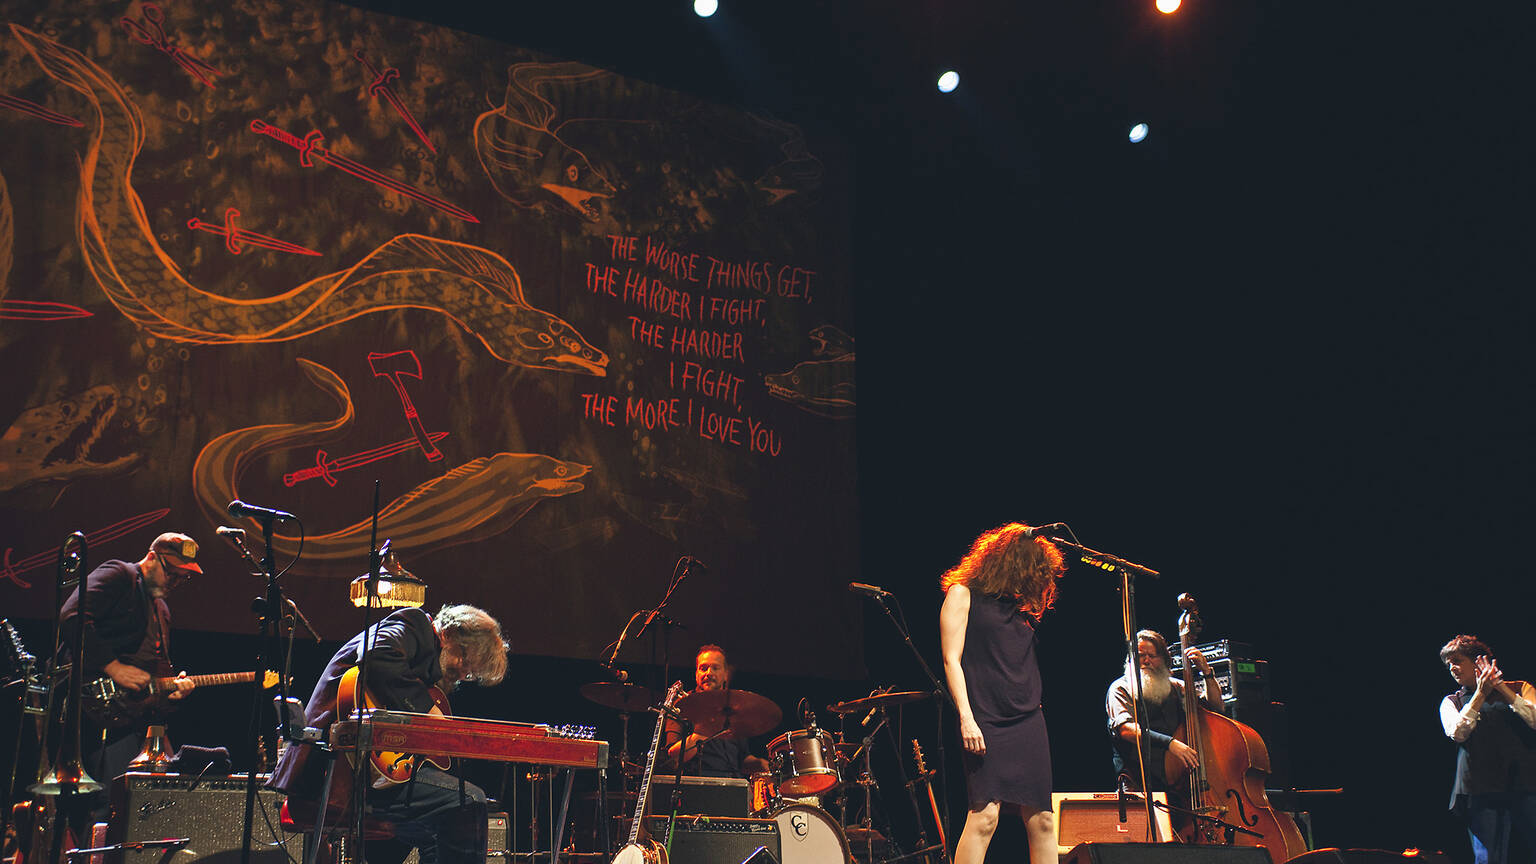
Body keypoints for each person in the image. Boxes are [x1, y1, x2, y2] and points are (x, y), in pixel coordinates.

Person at [270, 604, 509, 864]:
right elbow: (376, 654)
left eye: (470, 672)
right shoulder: (413, 625)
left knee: (441, 826)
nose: (462, 670)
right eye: (465, 657)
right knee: (470, 800)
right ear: (448, 633)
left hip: (365, 774)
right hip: (334, 770)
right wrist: (426, 710)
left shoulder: (423, 669)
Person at [939, 523, 1064, 864]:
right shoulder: (962, 593)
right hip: (986, 719)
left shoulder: (1020, 606)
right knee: (985, 816)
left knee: (1043, 819)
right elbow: (952, 660)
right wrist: (967, 718)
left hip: (1028, 717)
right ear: (1013, 563)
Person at [58, 532, 201, 820]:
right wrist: (113, 667)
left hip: (130, 720)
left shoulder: (161, 609)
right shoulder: (119, 575)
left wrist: (173, 691)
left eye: (181, 577)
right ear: (151, 558)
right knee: (101, 806)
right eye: (171, 573)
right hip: (91, 711)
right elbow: (71, 615)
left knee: (135, 806)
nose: (173, 582)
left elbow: (154, 674)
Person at [1439, 634, 1536, 864]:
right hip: (1479, 787)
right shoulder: (1452, 701)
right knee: (1488, 857)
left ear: (1477, 662)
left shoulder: (1520, 688)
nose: (1452, 668)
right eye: (1449, 664)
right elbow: (1457, 733)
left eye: (1457, 661)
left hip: (1525, 783)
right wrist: (1481, 694)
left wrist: (1501, 688)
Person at [1105, 629, 1223, 793]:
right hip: (1139, 785)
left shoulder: (1177, 687)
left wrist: (1207, 672)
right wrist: (1170, 743)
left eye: (1152, 656)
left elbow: (1215, 708)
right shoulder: (1120, 688)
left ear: (1164, 660)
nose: (1146, 661)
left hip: (1179, 782)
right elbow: (1126, 730)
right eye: (1140, 656)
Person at [662, 644, 771, 777]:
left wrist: (761, 764)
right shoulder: (681, 705)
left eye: (715, 668)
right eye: (703, 668)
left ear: (725, 675)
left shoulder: (734, 709)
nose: (709, 673)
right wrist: (705, 729)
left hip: (733, 786)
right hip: (696, 786)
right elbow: (672, 756)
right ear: (696, 674)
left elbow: (743, 759)